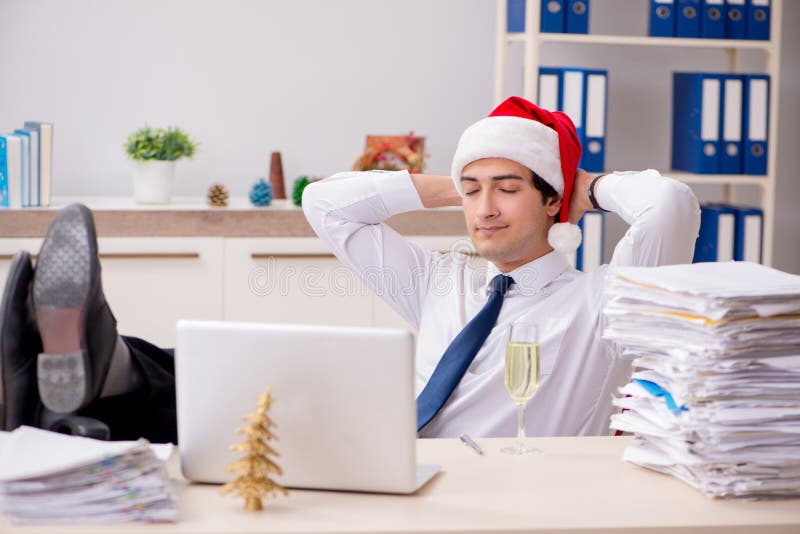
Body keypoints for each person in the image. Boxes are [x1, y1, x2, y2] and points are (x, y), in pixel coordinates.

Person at [0, 96, 699, 442]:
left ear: (553, 202)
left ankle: (88, 380)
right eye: (472, 189)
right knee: (232, 378)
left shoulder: (610, 301)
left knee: (245, 418)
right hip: (386, 450)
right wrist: (457, 179)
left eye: (508, 189)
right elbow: (328, 205)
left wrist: (581, 183)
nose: (483, 209)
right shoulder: (441, 279)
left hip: (487, 487)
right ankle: (93, 366)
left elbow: (668, 205)